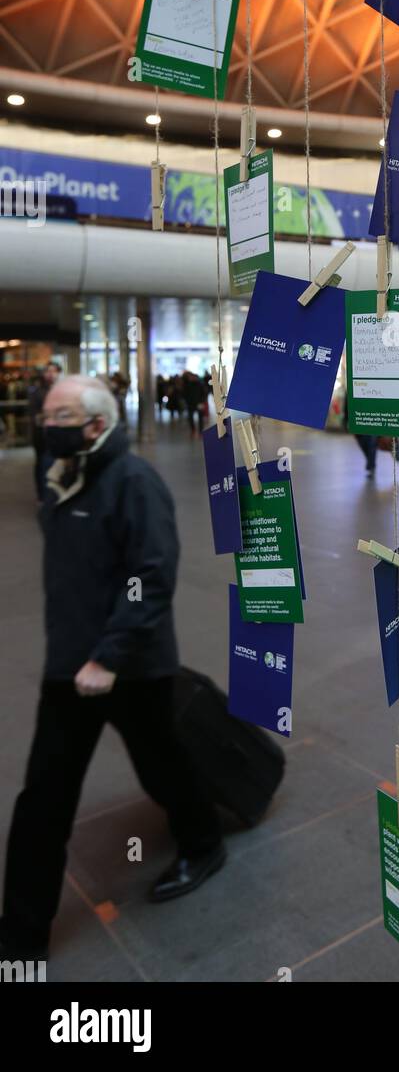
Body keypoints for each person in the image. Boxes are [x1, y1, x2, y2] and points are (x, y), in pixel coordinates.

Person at [0, 376, 225, 964]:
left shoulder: (134, 483)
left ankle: (203, 843)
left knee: (162, 766)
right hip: (69, 666)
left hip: (130, 665)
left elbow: (150, 577)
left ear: (97, 424)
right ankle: (20, 939)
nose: (47, 426)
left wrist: (108, 656)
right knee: (44, 797)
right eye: (46, 416)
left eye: (61, 417)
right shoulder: (62, 475)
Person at [27, 360, 62, 503]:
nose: (51, 374)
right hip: (43, 437)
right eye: (48, 371)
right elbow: (35, 417)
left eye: (54, 371)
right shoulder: (38, 393)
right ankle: (43, 496)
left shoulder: (63, 391)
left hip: (60, 436)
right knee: (43, 465)